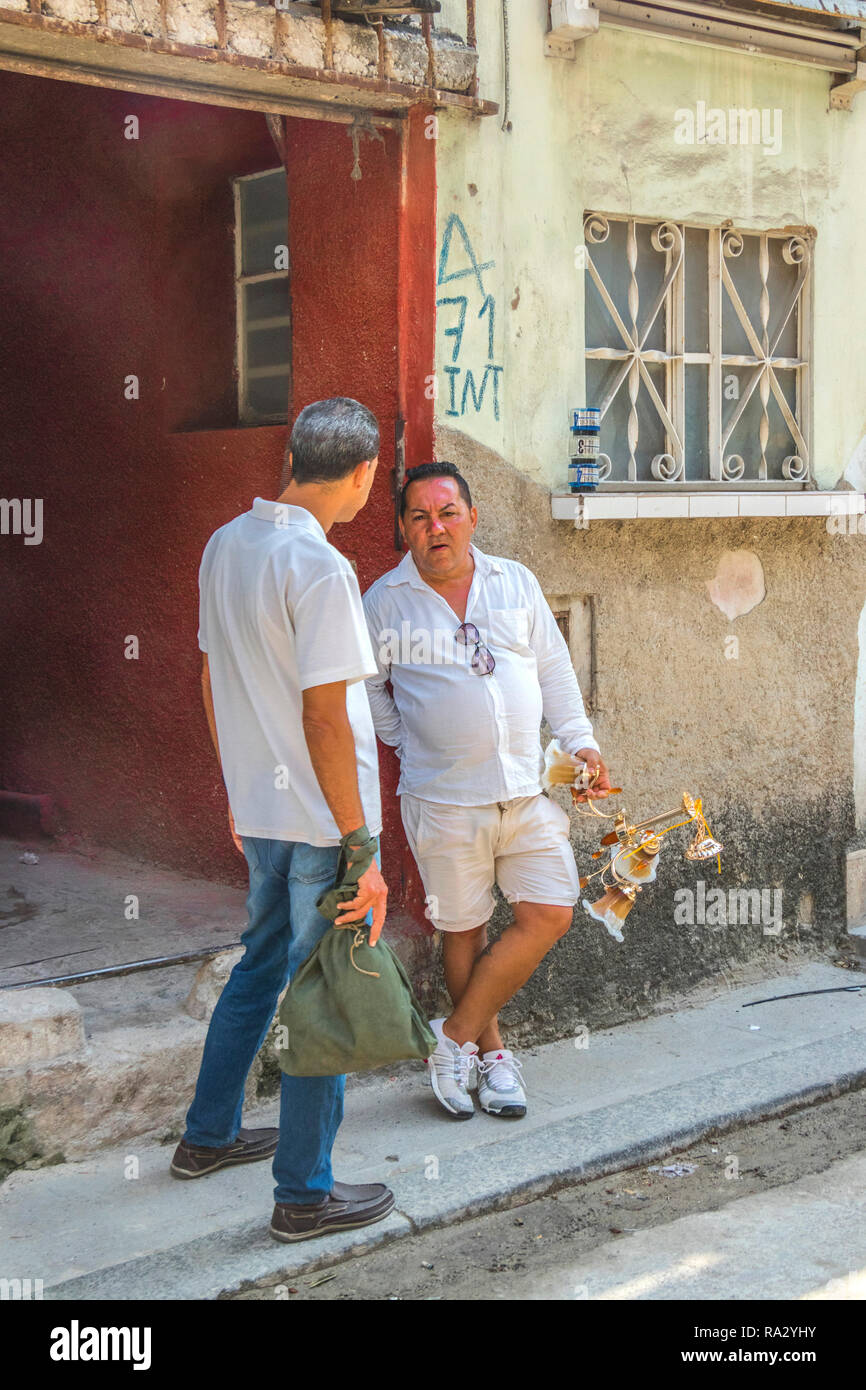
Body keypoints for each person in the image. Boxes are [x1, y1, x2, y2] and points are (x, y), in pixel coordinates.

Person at [170, 397, 394, 1244]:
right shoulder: (322, 566)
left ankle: (207, 1136)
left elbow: (208, 671)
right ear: (367, 474)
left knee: (259, 965)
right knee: (322, 995)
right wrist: (361, 844)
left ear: (292, 458)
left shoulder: (226, 544)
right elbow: (326, 719)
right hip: (320, 825)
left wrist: (235, 788)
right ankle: (304, 1195)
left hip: (262, 811)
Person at [363, 462, 611, 1121]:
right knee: (463, 929)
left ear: (472, 518)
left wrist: (580, 741)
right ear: (403, 531)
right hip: (444, 799)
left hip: (526, 793)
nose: (434, 527)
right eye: (418, 517)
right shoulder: (386, 601)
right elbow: (368, 690)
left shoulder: (514, 582)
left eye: (447, 513)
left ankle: (450, 1038)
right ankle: (493, 1056)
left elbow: (555, 672)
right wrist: (406, 741)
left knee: (550, 910)